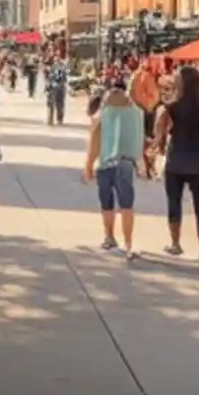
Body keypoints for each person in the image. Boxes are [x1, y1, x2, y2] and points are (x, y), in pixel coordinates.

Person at [155, 65, 199, 270]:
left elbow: (160, 129)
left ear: (181, 83)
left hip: (177, 160)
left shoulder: (172, 106)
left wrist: (158, 143)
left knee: (174, 202)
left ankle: (175, 243)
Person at [83, 79, 145, 260]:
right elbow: (139, 139)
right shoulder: (136, 113)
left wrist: (89, 163)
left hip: (105, 162)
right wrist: (140, 164)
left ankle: (109, 237)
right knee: (126, 204)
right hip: (126, 162)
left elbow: (95, 140)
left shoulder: (103, 113)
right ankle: (128, 243)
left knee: (106, 202)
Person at [131, 60, 160, 174]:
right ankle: (148, 166)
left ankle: (138, 164)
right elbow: (154, 95)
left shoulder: (134, 75)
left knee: (138, 137)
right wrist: (150, 106)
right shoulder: (147, 76)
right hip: (147, 109)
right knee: (148, 138)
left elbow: (131, 93)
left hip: (135, 109)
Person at [45, 58, 68, 126]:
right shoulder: (62, 68)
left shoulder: (53, 69)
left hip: (54, 88)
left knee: (52, 104)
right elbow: (64, 79)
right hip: (58, 87)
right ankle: (58, 119)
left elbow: (49, 79)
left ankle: (51, 120)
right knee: (59, 104)